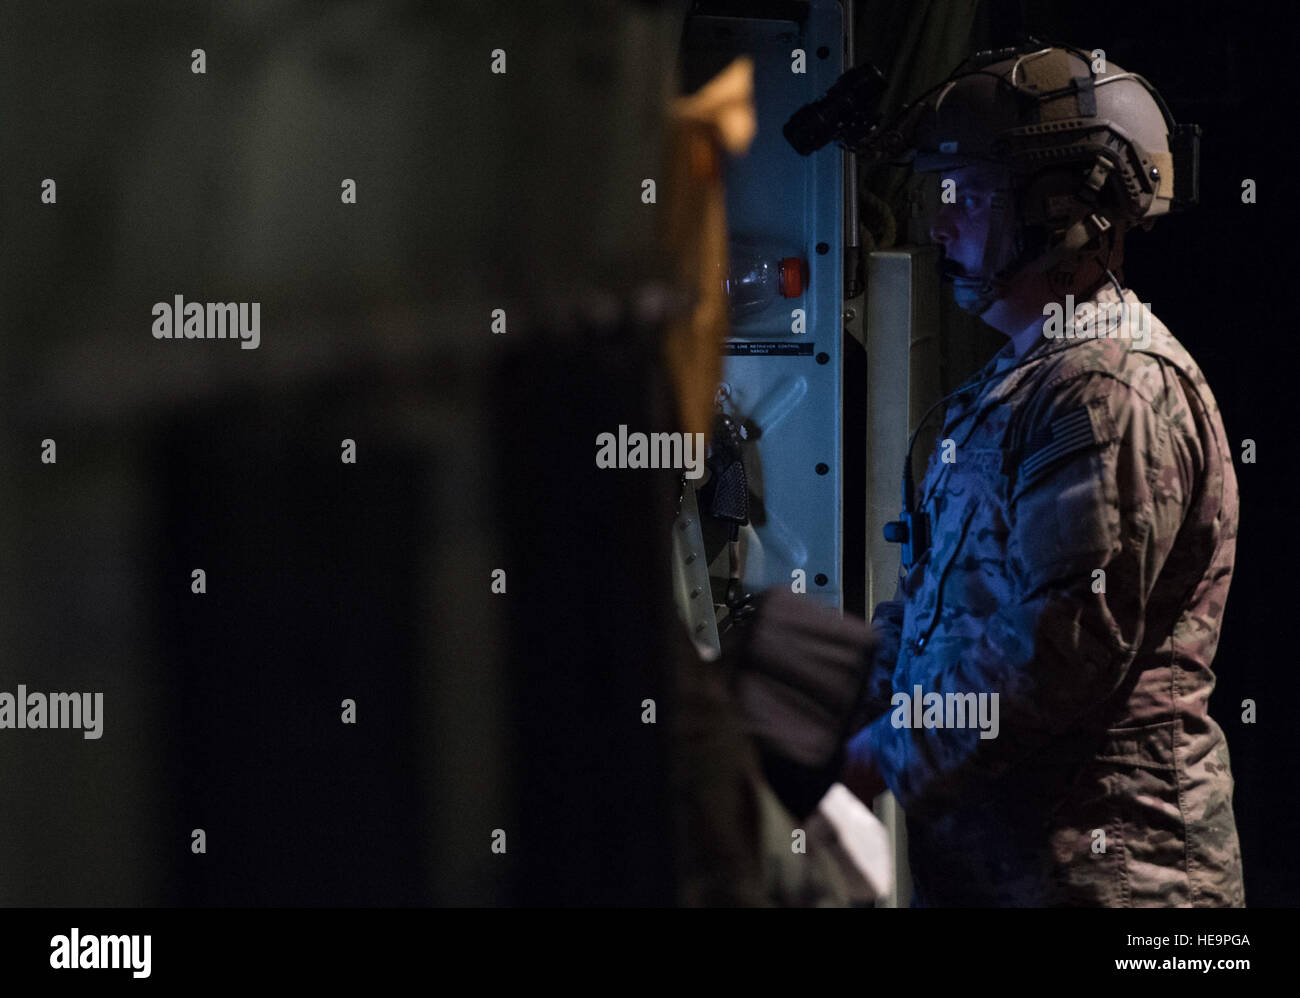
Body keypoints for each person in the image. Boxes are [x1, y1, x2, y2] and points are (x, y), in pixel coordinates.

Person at [841, 44, 1245, 906]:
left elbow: (1058, 650)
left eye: (970, 197)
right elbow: (944, 607)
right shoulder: (1022, 380)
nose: (941, 223)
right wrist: (840, 685)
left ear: (1066, 209)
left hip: (1115, 878)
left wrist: (880, 754)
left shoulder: (1107, 390)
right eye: (936, 195)